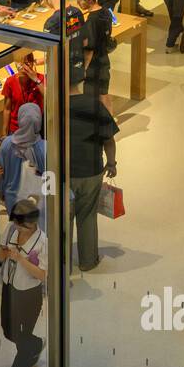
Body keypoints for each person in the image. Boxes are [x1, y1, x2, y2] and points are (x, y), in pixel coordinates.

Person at [0, 197, 47, 367]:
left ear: (31, 224)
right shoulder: (10, 230)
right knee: (9, 331)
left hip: (29, 295)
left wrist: (20, 259)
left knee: (23, 338)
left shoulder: (42, 242)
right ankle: (36, 345)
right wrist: (3, 252)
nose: (16, 227)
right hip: (10, 288)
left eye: (20, 224)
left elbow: (42, 275)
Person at [68, 75, 118, 273]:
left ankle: (62, 264)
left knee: (63, 219)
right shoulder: (95, 106)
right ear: (80, 82)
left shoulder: (55, 106)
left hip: (63, 173)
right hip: (91, 169)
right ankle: (88, 261)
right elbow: (109, 139)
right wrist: (112, 163)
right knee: (87, 217)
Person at [0, 101, 46, 223]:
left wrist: (2, 192)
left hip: (12, 200)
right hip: (37, 201)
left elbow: (2, 174)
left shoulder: (6, 144)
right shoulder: (46, 148)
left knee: (17, 235)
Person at [2, 52, 44, 133]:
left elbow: (50, 98)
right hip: (16, 129)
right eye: (21, 64)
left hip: (35, 128)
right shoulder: (10, 82)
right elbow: (7, 109)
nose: (24, 68)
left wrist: (36, 80)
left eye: (27, 63)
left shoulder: (40, 79)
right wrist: (4, 133)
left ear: (32, 64)